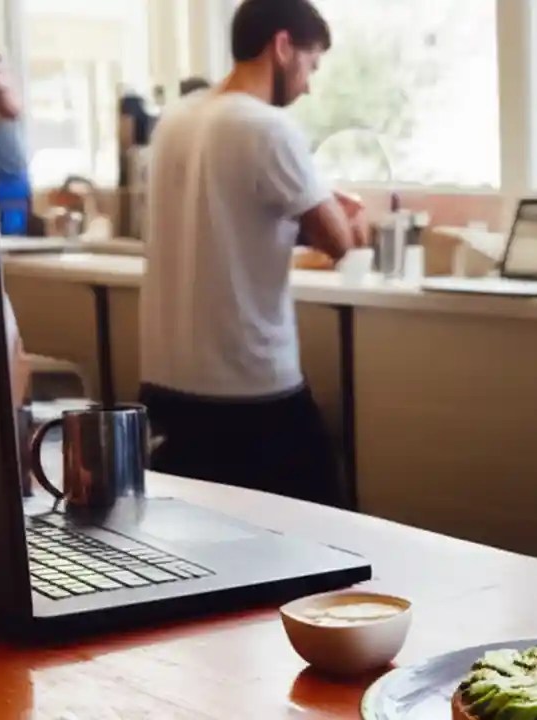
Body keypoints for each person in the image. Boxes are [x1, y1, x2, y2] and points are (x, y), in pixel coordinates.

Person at [139, 0, 367, 506]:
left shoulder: (175, 120)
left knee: (200, 549)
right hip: (249, 388)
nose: (309, 84)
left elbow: (232, 215)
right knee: (325, 531)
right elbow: (339, 240)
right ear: (282, 47)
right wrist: (349, 213)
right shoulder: (265, 126)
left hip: (166, 385)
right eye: (310, 64)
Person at [0, 52, 35, 236]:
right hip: (0, 180)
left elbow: (13, 110)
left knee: (12, 236)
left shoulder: (3, 94)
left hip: (13, 180)